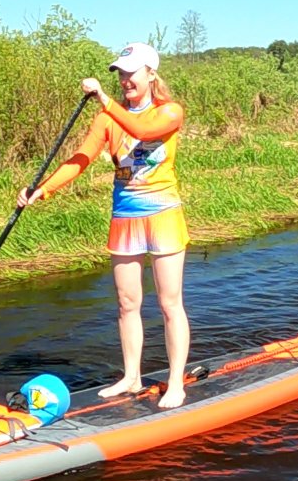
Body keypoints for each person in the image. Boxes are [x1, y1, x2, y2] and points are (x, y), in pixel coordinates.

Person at [17, 42, 192, 407]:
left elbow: (143, 132)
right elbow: (78, 160)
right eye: (121, 73)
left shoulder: (170, 111)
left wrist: (104, 99)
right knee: (127, 303)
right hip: (125, 217)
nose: (125, 79)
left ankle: (176, 382)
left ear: (151, 74)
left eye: (131, 72)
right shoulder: (107, 119)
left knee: (169, 302)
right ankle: (131, 377)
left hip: (163, 215)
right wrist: (42, 190)